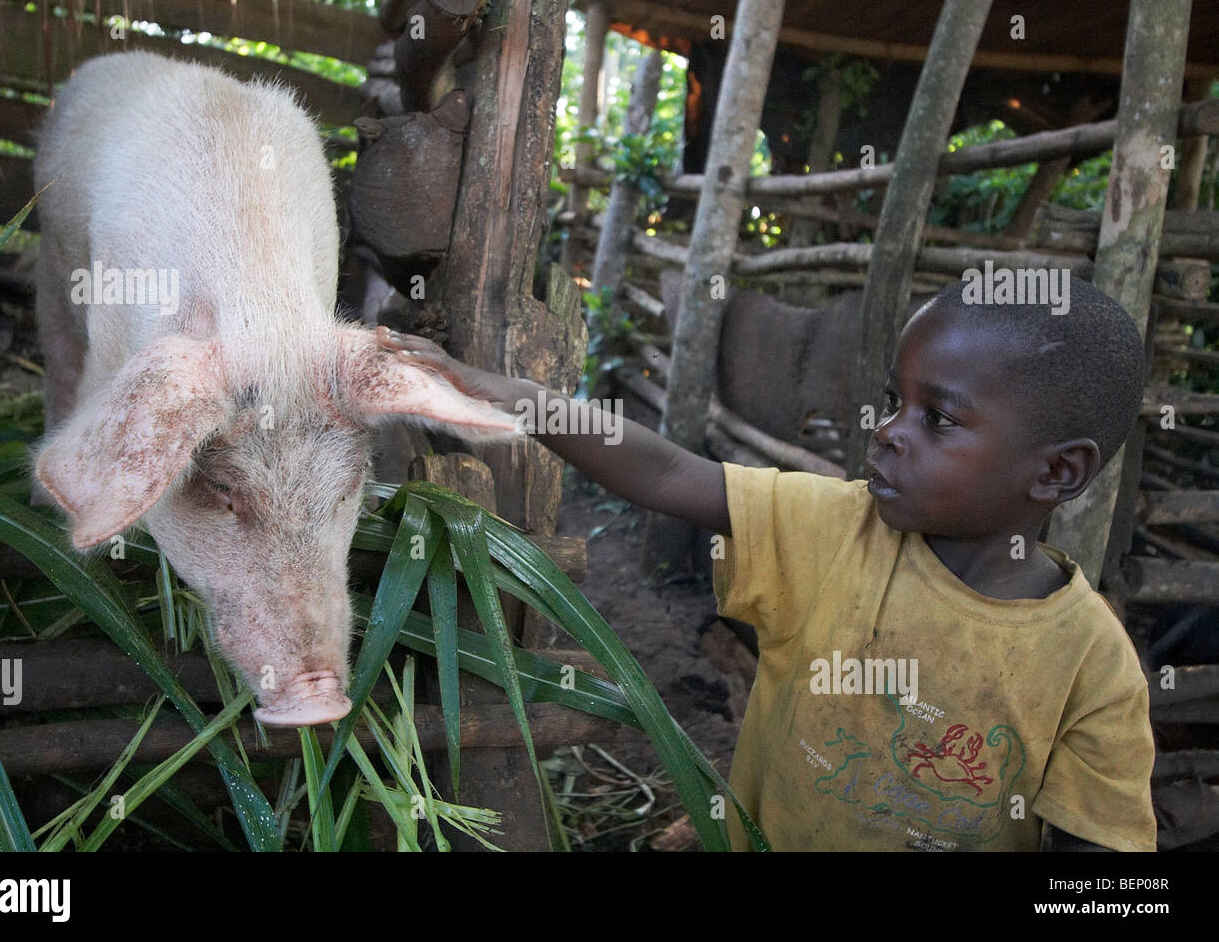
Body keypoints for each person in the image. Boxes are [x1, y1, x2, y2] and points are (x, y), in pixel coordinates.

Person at [376, 275, 1156, 852]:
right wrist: (510, 395)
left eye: (938, 418)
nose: (886, 432)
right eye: (893, 401)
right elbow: (669, 473)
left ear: (1056, 473)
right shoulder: (833, 527)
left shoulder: (1089, 665)